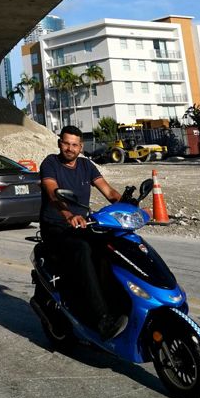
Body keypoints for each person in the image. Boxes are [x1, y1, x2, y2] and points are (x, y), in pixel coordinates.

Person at [38, 126, 126, 339]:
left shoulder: (87, 165)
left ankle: (117, 302)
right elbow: (52, 192)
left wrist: (129, 207)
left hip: (82, 225)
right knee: (83, 249)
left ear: (81, 147)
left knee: (112, 246)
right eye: (66, 143)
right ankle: (101, 319)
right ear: (59, 143)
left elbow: (109, 191)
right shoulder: (50, 163)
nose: (70, 148)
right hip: (56, 227)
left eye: (74, 145)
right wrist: (68, 215)